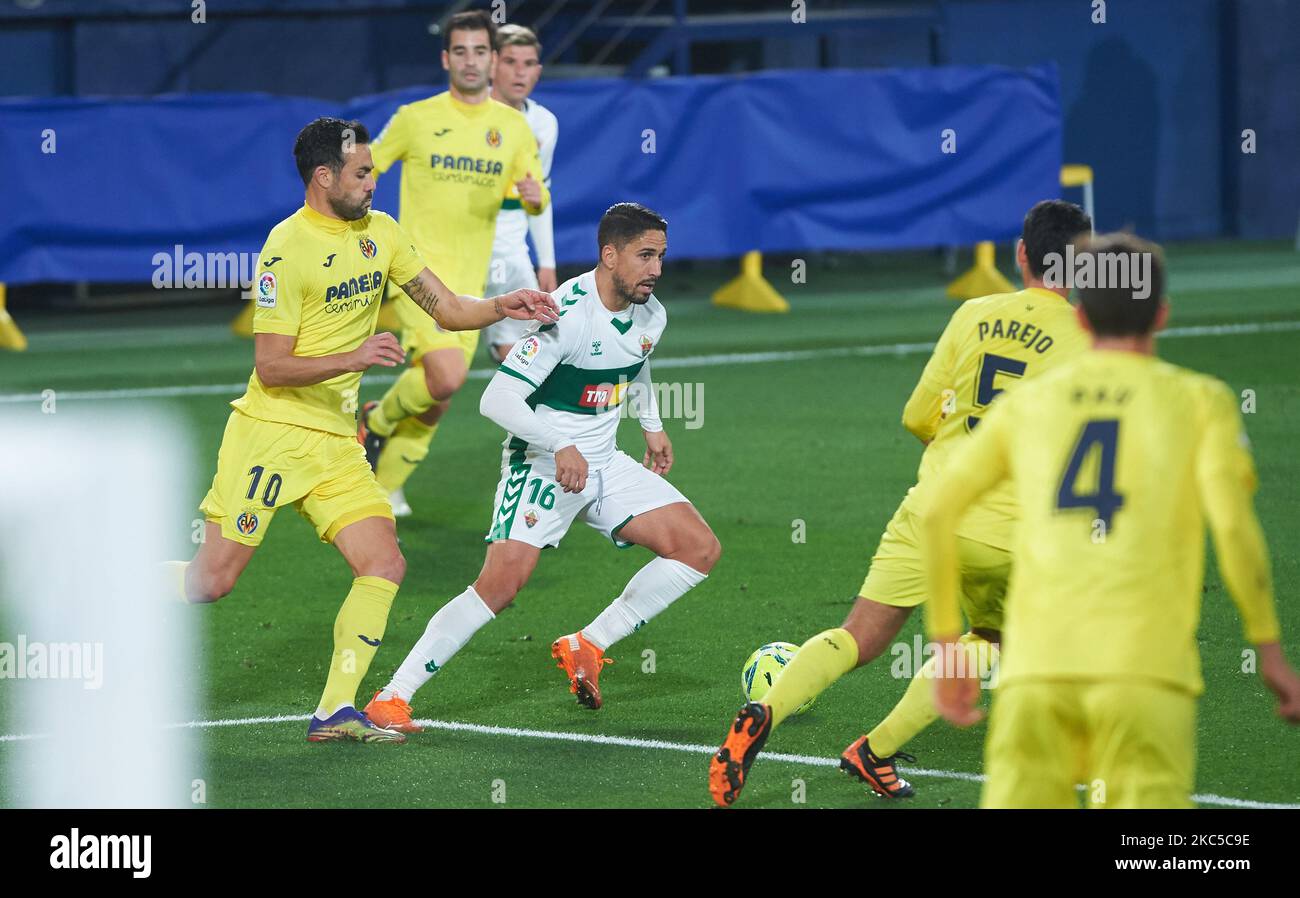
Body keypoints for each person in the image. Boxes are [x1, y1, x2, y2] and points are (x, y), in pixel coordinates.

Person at [167, 117, 557, 744]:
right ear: (324, 178)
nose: (375, 183)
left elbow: (449, 308)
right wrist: (353, 358)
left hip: (336, 440)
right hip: (272, 432)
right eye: (363, 173)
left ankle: (334, 711)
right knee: (210, 582)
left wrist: (499, 306)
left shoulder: (382, 232)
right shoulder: (285, 248)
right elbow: (270, 365)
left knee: (384, 562)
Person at [710, 199, 1093, 806]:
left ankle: (764, 710)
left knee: (858, 636)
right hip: (1006, 528)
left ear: (1021, 255)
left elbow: (918, 414)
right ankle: (875, 748)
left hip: (931, 507)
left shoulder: (973, 313)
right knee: (994, 638)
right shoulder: (1087, 342)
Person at [926, 232, 1300, 807]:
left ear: (1079, 317)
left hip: (1037, 671)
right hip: (1146, 671)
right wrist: (1268, 648)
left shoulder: (1030, 404)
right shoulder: (1202, 400)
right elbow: (1232, 527)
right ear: (1163, 314)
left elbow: (940, 509)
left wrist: (950, 645)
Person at [364, 203, 721, 731]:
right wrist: (560, 445)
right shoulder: (564, 314)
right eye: (645, 256)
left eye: (662, 257)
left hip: (602, 464)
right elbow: (498, 399)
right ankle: (391, 698)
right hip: (541, 463)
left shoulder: (652, 314)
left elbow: (637, 362)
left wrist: (651, 423)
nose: (656, 270)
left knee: (698, 548)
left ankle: (589, 644)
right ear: (609, 254)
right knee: (500, 587)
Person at [358, 10, 550, 518]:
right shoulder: (415, 118)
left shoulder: (512, 128)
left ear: (492, 59)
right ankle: (374, 426)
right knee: (444, 378)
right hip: (416, 271)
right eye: (460, 51)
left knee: (436, 397)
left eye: (480, 51)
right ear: (446, 58)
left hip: (472, 280)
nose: (470, 61)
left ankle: (384, 488)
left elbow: (536, 197)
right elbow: (365, 167)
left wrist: (534, 198)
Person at [484, 23, 560, 367]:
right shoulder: (466, 115)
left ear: (538, 71)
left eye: (528, 63)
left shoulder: (544, 124)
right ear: (492, 65)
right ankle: (381, 420)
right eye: (510, 61)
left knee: (525, 357)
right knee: (440, 374)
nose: (520, 72)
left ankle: (522, 421)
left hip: (511, 254)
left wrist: (547, 261)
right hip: (458, 252)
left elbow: (539, 197)